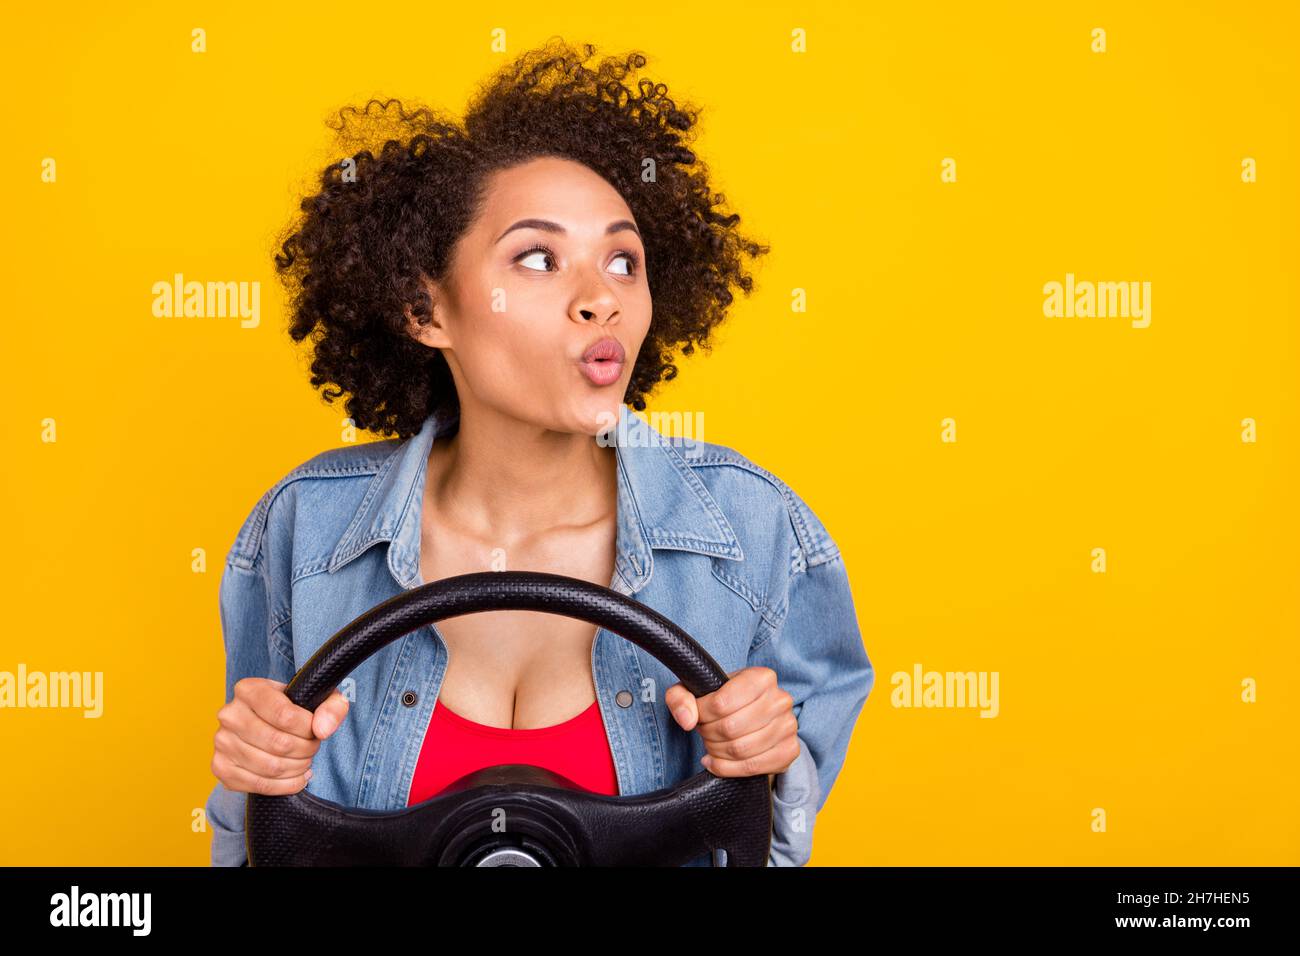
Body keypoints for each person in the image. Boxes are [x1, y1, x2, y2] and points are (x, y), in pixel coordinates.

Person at [206, 38, 874, 867]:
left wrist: (773, 766)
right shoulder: (304, 528)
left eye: (623, 261)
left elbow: (773, 849)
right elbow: (267, 840)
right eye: (537, 258)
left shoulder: (756, 531)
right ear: (426, 308)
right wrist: (248, 777)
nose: (602, 299)